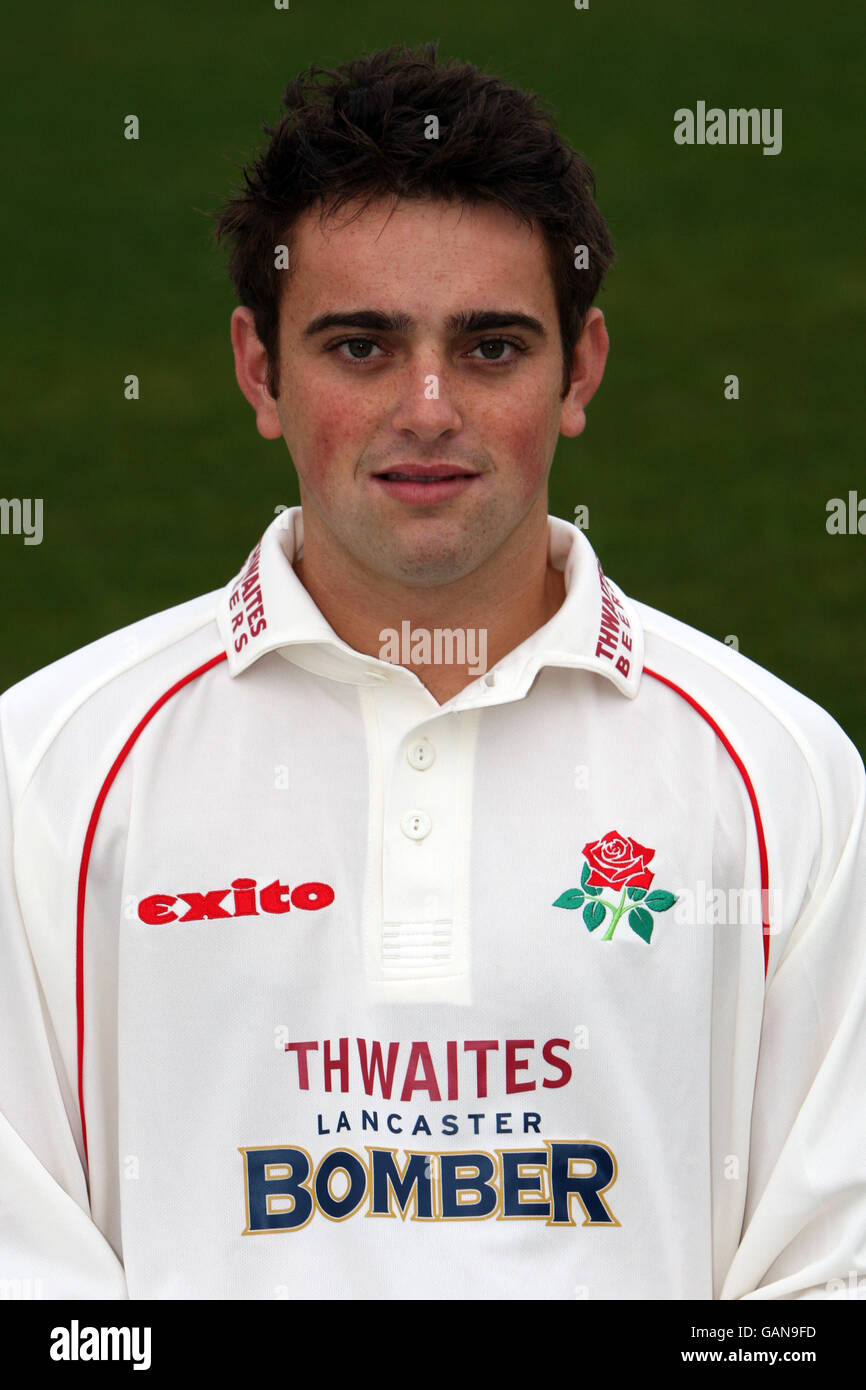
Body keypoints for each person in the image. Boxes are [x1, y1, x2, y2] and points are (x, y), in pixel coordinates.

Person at [1, 43, 863, 1301]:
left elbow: (824, 1274)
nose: (425, 407)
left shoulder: (785, 778)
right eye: (359, 346)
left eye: (491, 348)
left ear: (580, 371)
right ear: (259, 371)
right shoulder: (48, 770)